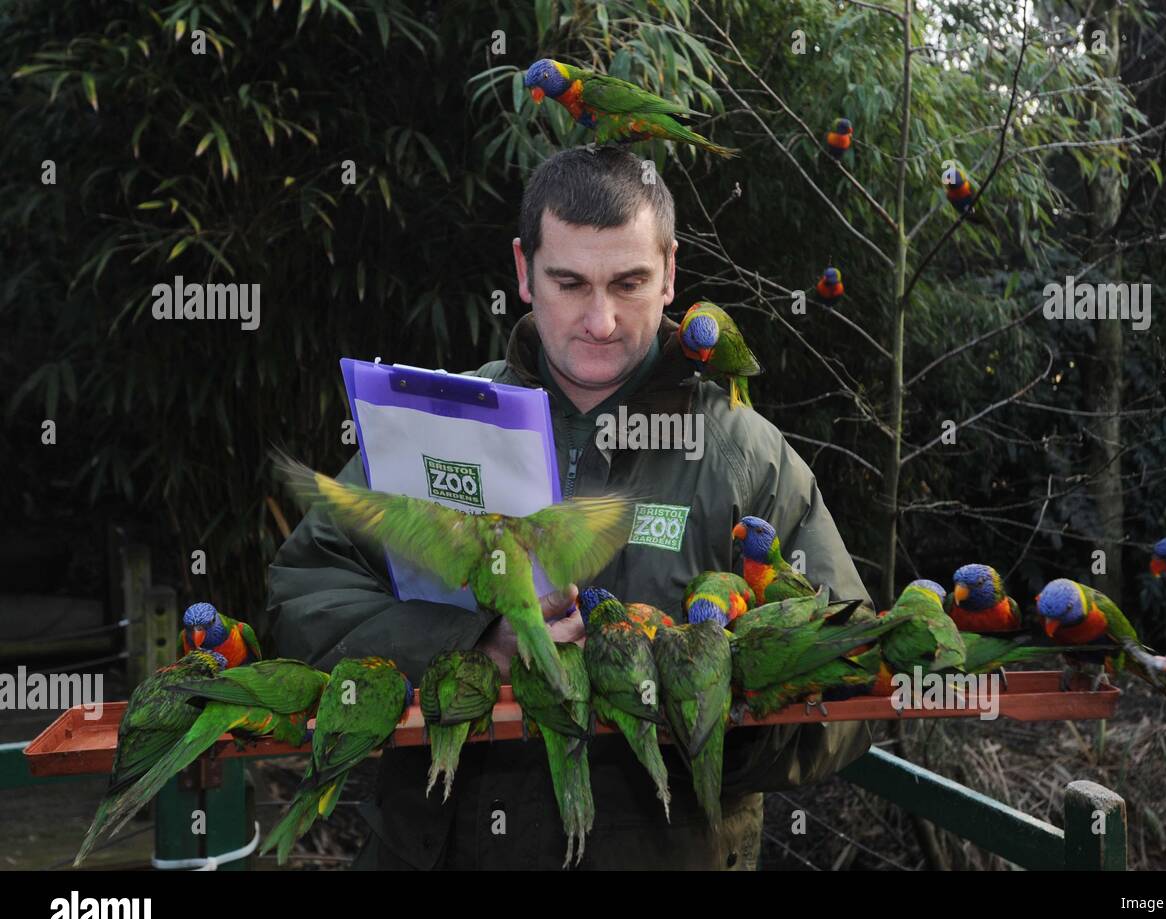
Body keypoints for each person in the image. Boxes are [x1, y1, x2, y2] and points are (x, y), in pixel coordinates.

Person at [267, 145, 875, 869]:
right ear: (523, 271)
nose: (601, 319)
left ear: (671, 272)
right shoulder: (435, 427)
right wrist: (471, 649)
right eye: (568, 282)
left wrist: (708, 711)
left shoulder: (744, 454)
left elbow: (853, 677)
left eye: (629, 282)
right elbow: (303, 595)